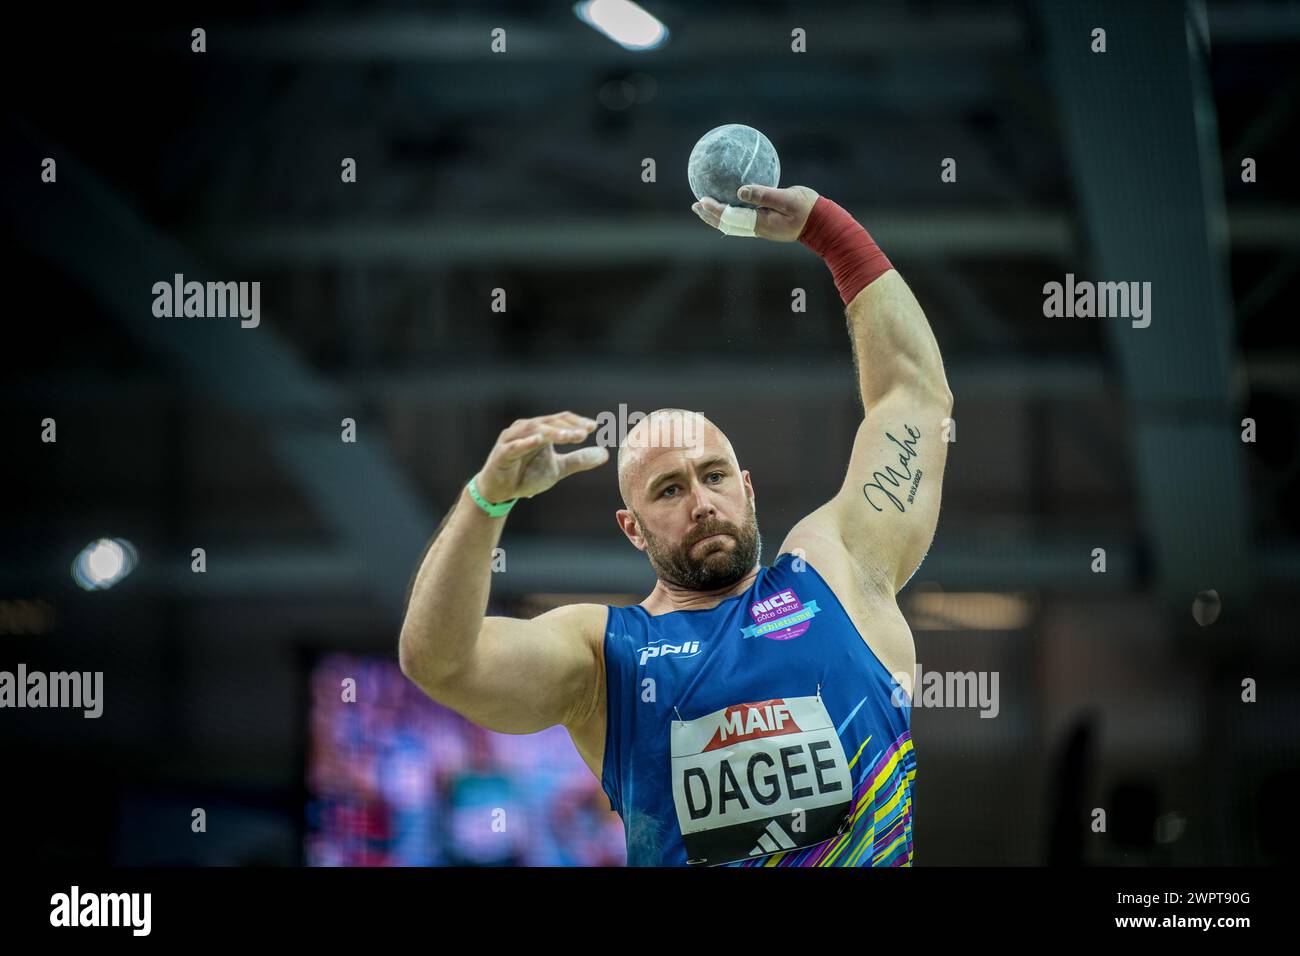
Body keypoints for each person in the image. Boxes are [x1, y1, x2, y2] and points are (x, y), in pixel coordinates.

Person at [399, 184, 953, 866]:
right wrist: (488, 500)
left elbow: (914, 398)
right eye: (669, 489)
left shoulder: (839, 569)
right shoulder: (606, 655)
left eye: (715, 475)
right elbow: (440, 664)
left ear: (746, 489)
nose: (700, 500)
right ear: (633, 529)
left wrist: (828, 230)